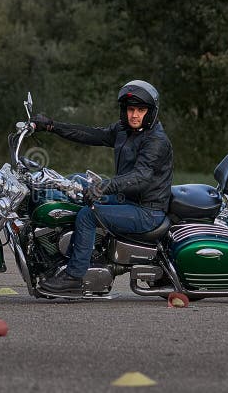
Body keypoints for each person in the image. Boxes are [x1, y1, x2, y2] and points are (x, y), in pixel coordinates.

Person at [30, 80, 174, 295]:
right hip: (128, 198)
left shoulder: (156, 141)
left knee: (88, 215)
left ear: (151, 112)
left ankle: (74, 277)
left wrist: (104, 187)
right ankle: (61, 258)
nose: (134, 115)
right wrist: (51, 126)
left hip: (147, 211)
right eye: (130, 109)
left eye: (140, 110)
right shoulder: (125, 130)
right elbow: (90, 134)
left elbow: (141, 177)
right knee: (77, 182)